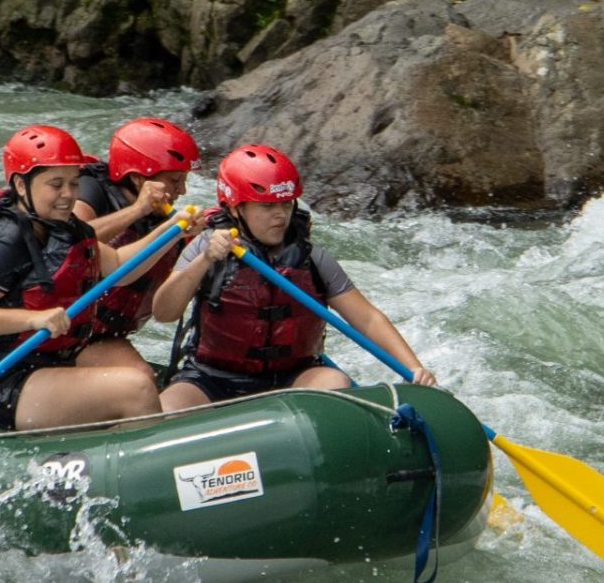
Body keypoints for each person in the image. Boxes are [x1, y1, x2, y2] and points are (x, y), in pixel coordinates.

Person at [0, 123, 192, 430]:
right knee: (135, 388)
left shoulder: (69, 230)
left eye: (73, 184)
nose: (68, 195)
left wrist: (172, 229)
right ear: (20, 185)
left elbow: (121, 267)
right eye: (56, 185)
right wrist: (32, 319)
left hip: (51, 366)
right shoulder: (4, 239)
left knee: (137, 382)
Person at [154, 142, 437, 410]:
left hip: (291, 378)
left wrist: (413, 367)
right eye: (266, 206)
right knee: (168, 407)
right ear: (235, 207)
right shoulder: (207, 246)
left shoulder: (311, 259)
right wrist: (204, 260)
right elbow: (164, 312)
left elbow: (367, 318)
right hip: (212, 378)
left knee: (335, 382)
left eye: (286, 204)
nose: (280, 215)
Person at [69, 116, 200, 377]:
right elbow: (70, 240)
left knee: (146, 381)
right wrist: (138, 210)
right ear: (140, 179)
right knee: (142, 381)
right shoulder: (89, 189)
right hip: (60, 332)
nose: (182, 190)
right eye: (175, 180)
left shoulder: (163, 216)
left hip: (102, 336)